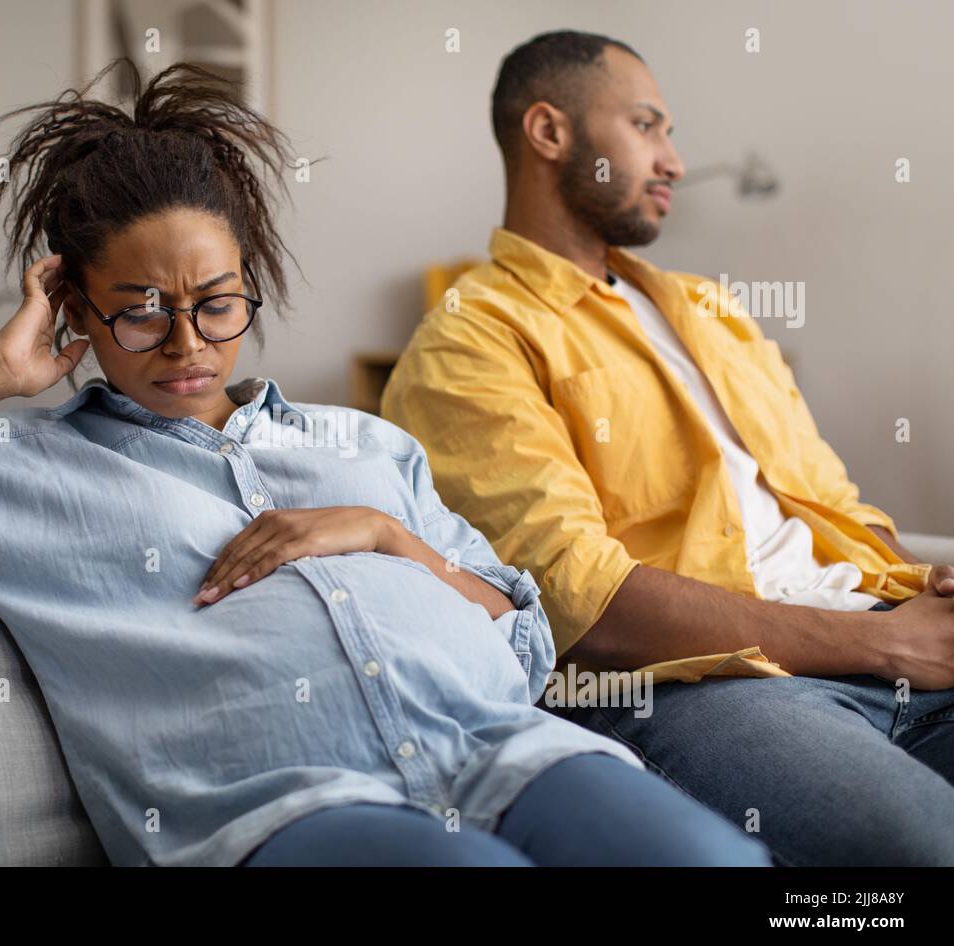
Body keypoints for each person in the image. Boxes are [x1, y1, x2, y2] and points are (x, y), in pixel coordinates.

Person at [0, 60, 768, 868]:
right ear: (74, 304)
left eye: (216, 304)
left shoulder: (363, 448)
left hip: (506, 750)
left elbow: (524, 635)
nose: (188, 344)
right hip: (280, 810)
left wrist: (387, 539)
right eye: (140, 310)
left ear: (249, 281)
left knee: (723, 862)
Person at [381, 30, 954, 865]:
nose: (676, 161)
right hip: (707, 685)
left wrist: (922, 589)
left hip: (879, 628)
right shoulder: (472, 340)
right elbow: (584, 608)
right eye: (649, 126)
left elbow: (832, 510)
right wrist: (879, 643)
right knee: (924, 847)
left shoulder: (713, 311)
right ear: (550, 133)